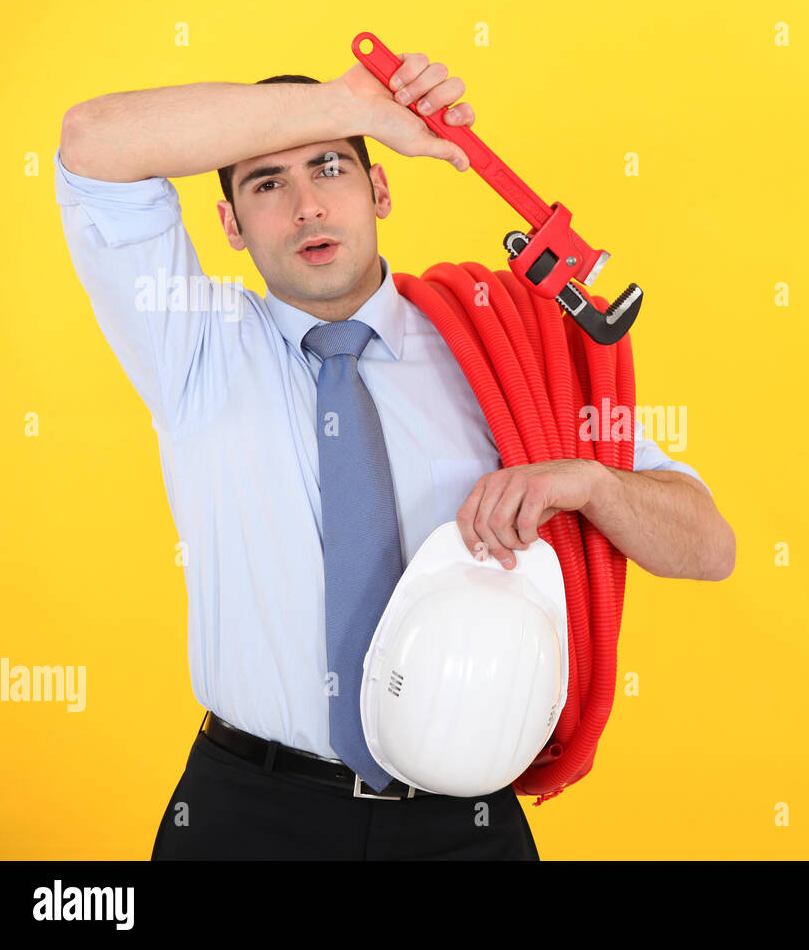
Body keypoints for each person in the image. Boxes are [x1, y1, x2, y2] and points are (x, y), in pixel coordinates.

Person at [56, 49, 736, 860]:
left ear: (380, 191)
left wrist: (589, 484)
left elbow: (709, 546)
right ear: (231, 227)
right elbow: (93, 141)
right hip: (248, 816)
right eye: (267, 184)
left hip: (463, 823)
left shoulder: (498, 350)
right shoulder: (196, 348)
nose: (308, 206)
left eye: (332, 167)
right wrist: (350, 107)